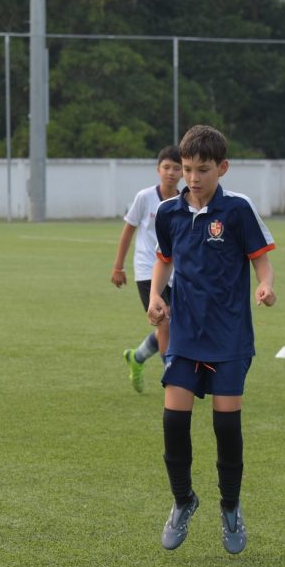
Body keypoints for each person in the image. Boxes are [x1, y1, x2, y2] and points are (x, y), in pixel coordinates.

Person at [147, 125, 276, 556]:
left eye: (202, 170)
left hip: (230, 336)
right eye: (187, 169)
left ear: (222, 167)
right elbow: (164, 260)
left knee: (226, 425)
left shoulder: (238, 209)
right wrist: (155, 298)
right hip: (185, 333)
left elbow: (261, 259)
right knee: (173, 420)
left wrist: (265, 286)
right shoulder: (169, 212)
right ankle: (183, 500)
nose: (193, 178)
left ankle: (230, 506)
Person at [112, 146, 182, 394]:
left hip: (176, 272)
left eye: (176, 168)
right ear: (158, 169)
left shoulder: (184, 200)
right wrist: (118, 266)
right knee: (164, 322)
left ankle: (137, 357)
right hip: (147, 271)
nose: (171, 173)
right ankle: (172, 377)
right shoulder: (145, 197)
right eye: (166, 167)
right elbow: (128, 230)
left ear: (183, 172)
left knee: (177, 324)